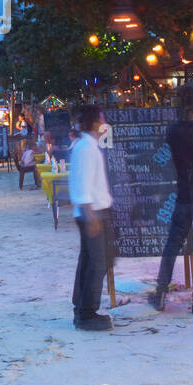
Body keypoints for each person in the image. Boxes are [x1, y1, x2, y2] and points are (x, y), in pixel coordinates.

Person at [150, 91, 193, 314]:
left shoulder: (172, 132)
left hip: (184, 195)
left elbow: (159, 156)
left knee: (172, 245)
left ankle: (161, 292)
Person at [69, 104, 114, 331]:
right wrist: (91, 215)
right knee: (98, 262)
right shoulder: (86, 148)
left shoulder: (87, 146)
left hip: (93, 211)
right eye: (102, 118)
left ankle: (81, 307)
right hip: (92, 212)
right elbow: (83, 184)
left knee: (90, 261)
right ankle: (87, 313)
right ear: (96, 122)